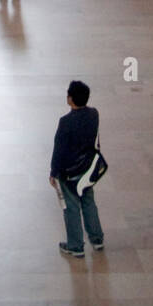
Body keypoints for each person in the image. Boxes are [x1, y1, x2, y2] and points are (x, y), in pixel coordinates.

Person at [49, 79, 104, 259]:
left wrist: (53, 172)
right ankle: (97, 239)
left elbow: (59, 150)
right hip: (88, 170)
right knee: (89, 202)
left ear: (70, 99)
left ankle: (75, 245)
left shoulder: (65, 122)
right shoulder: (94, 114)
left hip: (70, 174)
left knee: (71, 208)